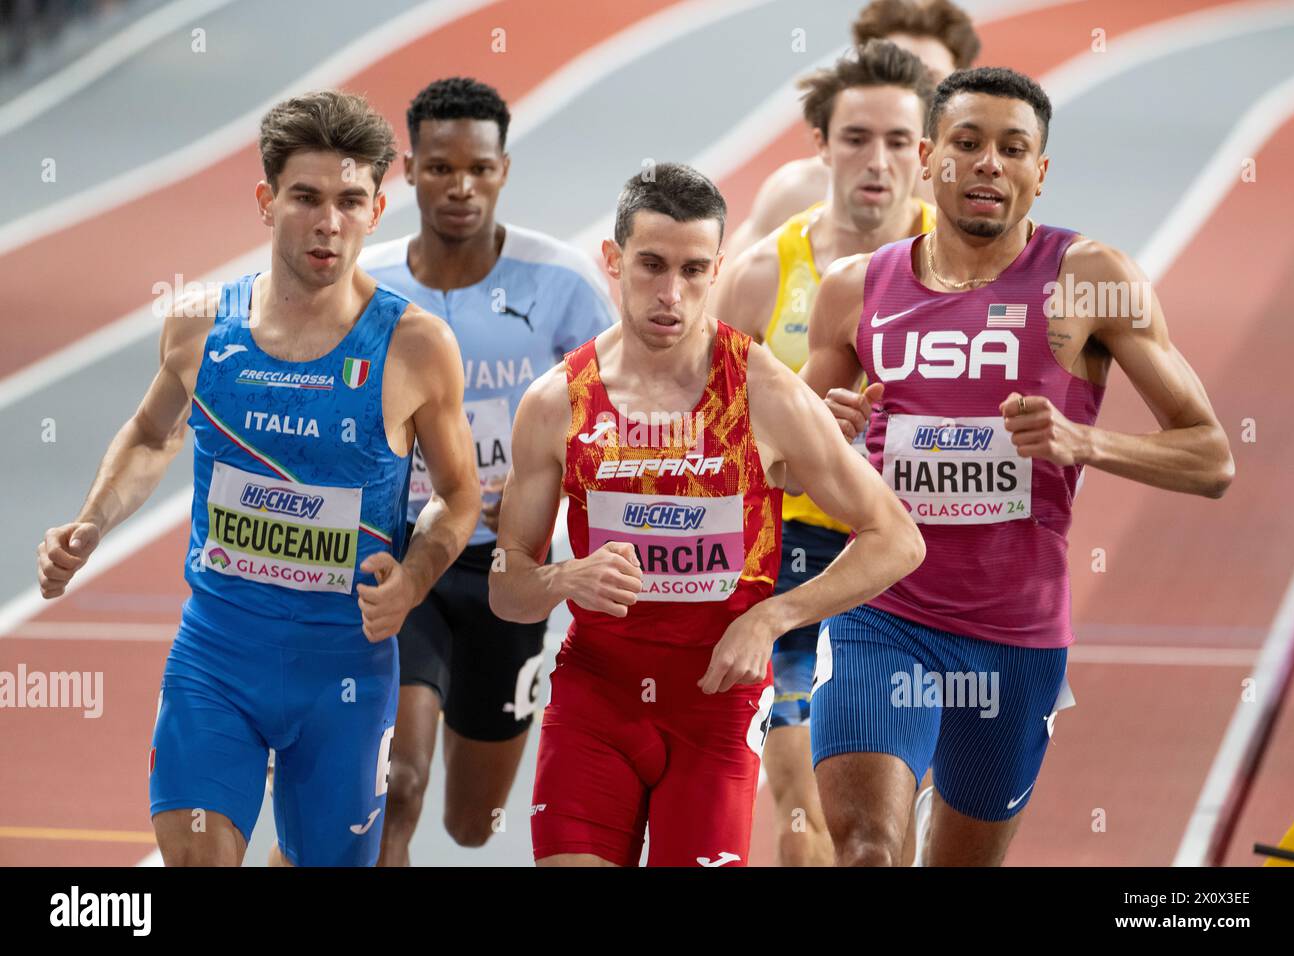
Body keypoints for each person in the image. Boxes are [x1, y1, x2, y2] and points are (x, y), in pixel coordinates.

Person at [36, 90, 481, 867]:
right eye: (306, 197)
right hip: (218, 654)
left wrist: (415, 578)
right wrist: (92, 523)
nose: (328, 222)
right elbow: (150, 434)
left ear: (378, 211)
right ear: (265, 201)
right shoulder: (201, 324)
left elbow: (458, 494)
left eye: (350, 201)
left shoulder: (415, 347)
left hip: (345, 671)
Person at [802, 67, 1234, 866]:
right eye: (967, 144)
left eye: (1013, 148)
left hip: (1014, 637)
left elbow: (1210, 457)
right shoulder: (854, 288)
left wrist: (1086, 442)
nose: (989, 164)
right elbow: (780, 466)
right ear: (930, 159)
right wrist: (822, 435)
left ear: (1042, 171)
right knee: (865, 848)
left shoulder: (1092, 280)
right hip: (881, 613)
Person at [488, 162, 925, 867]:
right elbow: (507, 587)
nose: (671, 295)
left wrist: (772, 616)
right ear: (612, 260)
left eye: (694, 271)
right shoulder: (555, 403)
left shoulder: (763, 392)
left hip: (716, 708)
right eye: (651, 266)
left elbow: (896, 539)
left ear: (717, 269)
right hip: (594, 699)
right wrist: (564, 580)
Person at [358, 77, 616, 865]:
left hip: (511, 574)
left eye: (478, 168)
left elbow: (611, 423)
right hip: (406, 556)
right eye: (439, 168)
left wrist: (550, 510)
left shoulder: (564, 283)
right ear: (408, 170)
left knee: (471, 824)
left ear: (504, 169)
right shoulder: (370, 288)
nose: (460, 187)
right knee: (396, 784)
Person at [711, 39, 935, 866]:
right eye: (855, 139)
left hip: (918, 562)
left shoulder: (966, 270)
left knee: (888, 827)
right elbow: (719, 443)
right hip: (792, 555)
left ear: (927, 151)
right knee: (804, 800)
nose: (877, 162)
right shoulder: (763, 274)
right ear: (821, 143)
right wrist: (801, 429)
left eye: (898, 141)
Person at [725, 0, 980, 258]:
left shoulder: (976, 200)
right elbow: (723, 292)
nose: (908, 93)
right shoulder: (795, 193)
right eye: (892, 74)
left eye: (929, 80)